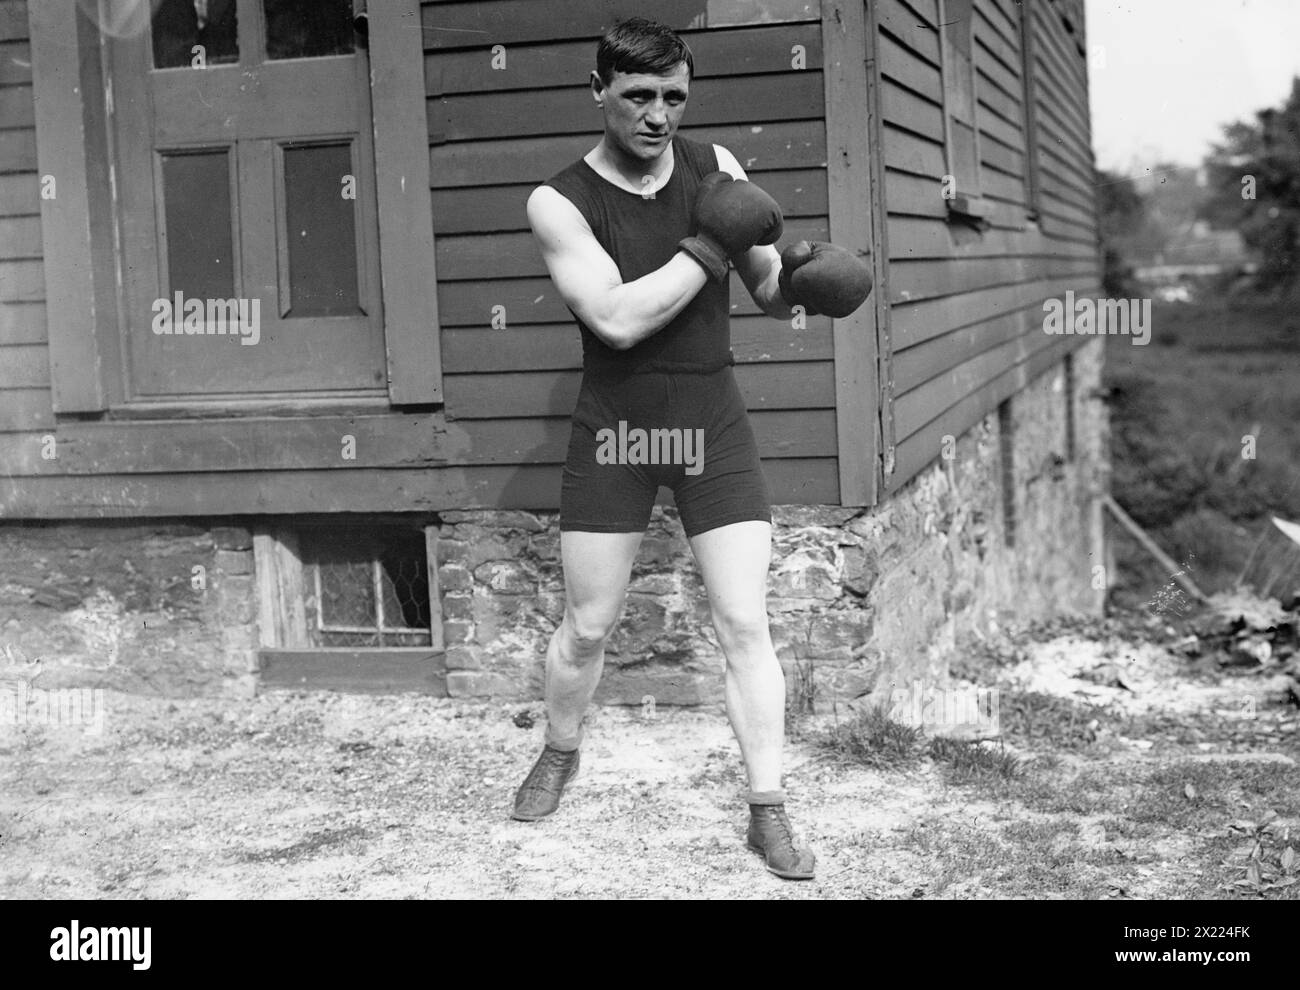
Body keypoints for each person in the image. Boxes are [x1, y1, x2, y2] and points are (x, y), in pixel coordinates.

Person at [513, 16, 871, 881]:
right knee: (589, 627)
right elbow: (617, 318)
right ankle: (561, 749)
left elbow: (764, 282)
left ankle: (768, 810)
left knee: (746, 620)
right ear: (596, 90)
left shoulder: (719, 169)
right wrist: (711, 239)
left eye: (674, 96)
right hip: (618, 426)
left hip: (711, 416)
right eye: (637, 96)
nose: (658, 116)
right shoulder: (558, 200)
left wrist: (812, 282)